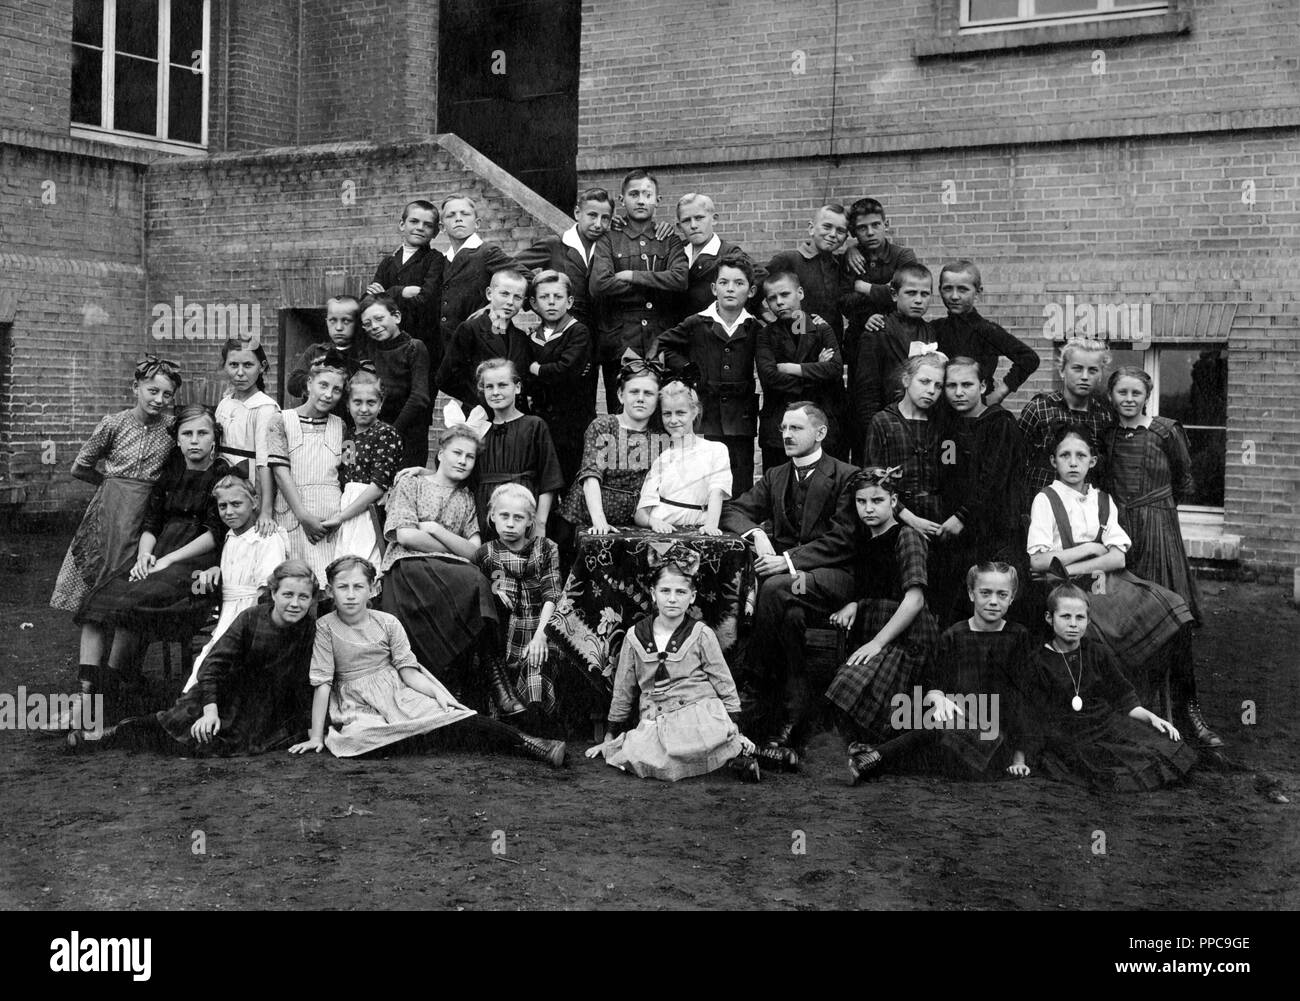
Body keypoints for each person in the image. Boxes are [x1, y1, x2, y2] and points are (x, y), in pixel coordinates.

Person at [1026, 423, 1223, 747]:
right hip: (1069, 589)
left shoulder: (1103, 500)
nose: (1073, 462)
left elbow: (1117, 559)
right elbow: (1038, 561)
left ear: (1092, 461)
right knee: (1099, 625)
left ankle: (1187, 712)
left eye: (1080, 455)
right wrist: (1088, 549)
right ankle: (1119, 712)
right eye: (1065, 455)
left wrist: (1072, 564)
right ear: (1053, 461)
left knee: (1173, 606)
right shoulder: (1045, 500)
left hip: (1108, 580)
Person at [289, 556, 566, 765]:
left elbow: (408, 672)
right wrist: (316, 735)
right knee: (355, 740)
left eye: (358, 586)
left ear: (372, 589)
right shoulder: (326, 627)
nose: (350, 594)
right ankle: (423, 738)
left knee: (456, 717)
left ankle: (532, 744)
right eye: (343, 587)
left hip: (399, 693)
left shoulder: (387, 622)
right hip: (357, 704)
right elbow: (323, 682)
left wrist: (437, 694)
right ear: (329, 591)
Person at [67, 560, 319, 755]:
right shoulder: (251, 619)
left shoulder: (308, 627)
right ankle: (109, 734)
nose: (295, 603)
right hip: (221, 697)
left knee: (219, 747)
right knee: (171, 732)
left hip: (262, 709)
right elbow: (210, 668)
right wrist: (210, 711)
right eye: (287, 594)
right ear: (273, 593)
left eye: (303, 597)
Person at [71, 405, 228, 714]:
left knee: (134, 602)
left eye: (202, 433)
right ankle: (87, 691)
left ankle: (111, 686)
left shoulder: (221, 474)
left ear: (214, 439)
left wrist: (168, 560)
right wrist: (145, 554)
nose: (194, 441)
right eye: (187, 434)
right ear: (178, 440)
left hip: (194, 561)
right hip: (158, 554)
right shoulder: (171, 472)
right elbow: (151, 522)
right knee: (98, 601)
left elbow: (214, 532)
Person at [721, 401, 859, 753]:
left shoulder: (846, 476)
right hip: (790, 588)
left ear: (820, 432)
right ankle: (794, 715)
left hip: (831, 577)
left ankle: (754, 687)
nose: (785, 435)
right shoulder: (776, 476)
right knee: (790, 615)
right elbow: (733, 510)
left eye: (795, 428)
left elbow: (842, 540)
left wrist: (787, 560)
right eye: (783, 428)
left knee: (776, 586)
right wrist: (756, 534)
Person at [378, 424, 523, 718]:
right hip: (408, 570)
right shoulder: (411, 484)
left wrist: (435, 530)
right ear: (440, 453)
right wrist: (450, 545)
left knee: (475, 580)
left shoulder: (466, 498)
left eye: (469, 457)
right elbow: (405, 536)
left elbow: (474, 551)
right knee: (475, 580)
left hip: (452, 575)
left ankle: (489, 687)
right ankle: (500, 687)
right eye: (456, 453)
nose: (462, 461)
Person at [844, 562, 1033, 781]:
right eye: (985, 593)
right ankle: (875, 758)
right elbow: (934, 683)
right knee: (928, 719)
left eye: (1002, 594)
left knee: (939, 728)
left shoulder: (1018, 637)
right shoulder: (953, 635)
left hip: (992, 738)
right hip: (951, 727)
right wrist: (938, 697)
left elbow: (1023, 701)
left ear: (1012, 597)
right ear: (972, 594)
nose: (993, 601)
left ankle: (873, 757)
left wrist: (1019, 759)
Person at [585, 559, 760, 782]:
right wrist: (610, 736)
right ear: (653, 593)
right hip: (657, 719)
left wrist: (734, 724)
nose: (672, 599)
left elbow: (723, 681)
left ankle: (735, 747)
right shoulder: (634, 636)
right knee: (633, 753)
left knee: (712, 732)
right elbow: (623, 690)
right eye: (665, 591)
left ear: (692, 597)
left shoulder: (701, 634)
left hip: (697, 712)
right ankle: (730, 758)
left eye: (681, 592)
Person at [1017, 582, 1197, 791]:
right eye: (1065, 617)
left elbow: (1124, 698)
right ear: (1050, 618)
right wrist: (1020, 759)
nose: (1073, 624)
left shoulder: (1096, 652)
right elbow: (1029, 716)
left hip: (1106, 725)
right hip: (1072, 735)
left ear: (1088, 620)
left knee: (1167, 748)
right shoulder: (1039, 661)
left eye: (1080, 617)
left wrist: (1152, 718)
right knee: (1104, 771)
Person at [825, 467, 939, 783]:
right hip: (873, 624)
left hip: (907, 635)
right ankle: (864, 751)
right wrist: (854, 604)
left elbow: (914, 600)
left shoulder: (907, 536)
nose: (869, 508)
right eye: (862, 502)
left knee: (852, 683)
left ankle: (876, 755)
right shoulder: (866, 539)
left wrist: (877, 643)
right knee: (846, 686)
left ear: (894, 500)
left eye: (877, 500)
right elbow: (872, 584)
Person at [51, 355, 182, 615]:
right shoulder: (114, 423)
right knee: (101, 569)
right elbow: (80, 467)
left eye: (167, 395)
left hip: (147, 510)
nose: (159, 400)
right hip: (110, 509)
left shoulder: (172, 427)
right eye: (152, 391)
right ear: (136, 388)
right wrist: (110, 485)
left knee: (134, 574)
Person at [1103, 366, 1202, 621]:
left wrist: (1162, 508)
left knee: (1160, 586)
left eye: (1136, 393)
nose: (1129, 398)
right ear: (1111, 396)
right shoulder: (1109, 434)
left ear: (1147, 397)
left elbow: (1183, 478)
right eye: (1122, 392)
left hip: (1157, 520)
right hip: (1120, 521)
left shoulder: (1165, 431)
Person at [660, 253, 763, 491]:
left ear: (751, 291)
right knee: (703, 478)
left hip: (741, 418)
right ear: (714, 288)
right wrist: (688, 370)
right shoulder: (696, 323)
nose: (730, 289)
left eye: (739, 283)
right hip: (705, 415)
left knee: (739, 480)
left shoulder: (756, 327)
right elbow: (664, 345)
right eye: (724, 283)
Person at [933, 357, 1025, 624]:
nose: (959, 392)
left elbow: (993, 480)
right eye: (951, 386)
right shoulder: (948, 428)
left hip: (993, 533)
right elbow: (947, 475)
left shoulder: (1000, 423)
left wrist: (962, 515)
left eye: (967, 384)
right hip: (956, 536)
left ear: (983, 386)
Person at [588, 168, 688, 413]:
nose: (641, 200)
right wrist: (656, 286)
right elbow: (599, 285)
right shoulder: (609, 239)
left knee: (664, 415)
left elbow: (680, 280)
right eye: (634, 194)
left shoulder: (669, 240)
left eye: (647, 194)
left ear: (657, 200)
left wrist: (632, 276)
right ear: (622, 200)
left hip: (660, 342)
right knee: (623, 415)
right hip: (621, 343)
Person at [181, 474, 290, 693]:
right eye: (223, 506)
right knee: (204, 666)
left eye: (236, 504)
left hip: (252, 617)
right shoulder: (230, 537)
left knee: (226, 669)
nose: (229, 512)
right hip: (228, 614)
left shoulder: (266, 537)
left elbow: (267, 591)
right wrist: (215, 572)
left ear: (255, 502)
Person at [517, 187, 613, 428]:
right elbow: (513, 265)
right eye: (592, 215)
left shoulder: (611, 245)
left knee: (588, 406)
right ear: (577, 212)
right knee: (560, 402)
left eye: (605, 218)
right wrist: (536, 295)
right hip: (564, 336)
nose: (598, 224)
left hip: (603, 335)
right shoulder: (555, 245)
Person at [474, 484, 563, 732]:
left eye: (518, 518)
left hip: (540, 628)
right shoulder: (485, 554)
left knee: (537, 664)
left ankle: (539, 728)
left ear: (530, 521)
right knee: (502, 686)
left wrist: (540, 637)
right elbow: (479, 594)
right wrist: (492, 588)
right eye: (504, 516)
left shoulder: (546, 548)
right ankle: (515, 728)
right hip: (505, 636)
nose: (510, 524)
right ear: (492, 516)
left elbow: (552, 595)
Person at [557, 362, 668, 533]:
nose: (640, 398)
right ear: (620, 395)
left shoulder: (659, 436)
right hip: (585, 520)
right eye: (634, 392)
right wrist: (599, 520)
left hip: (629, 524)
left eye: (648, 393)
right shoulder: (604, 426)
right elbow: (590, 475)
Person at [268, 352, 347, 584]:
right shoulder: (280, 420)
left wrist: (339, 517)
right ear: (309, 383)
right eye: (323, 385)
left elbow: (346, 471)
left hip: (328, 520)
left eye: (337, 390)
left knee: (328, 584)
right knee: (295, 582)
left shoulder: (341, 426)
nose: (328, 394)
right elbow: (280, 473)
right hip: (293, 515)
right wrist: (303, 516)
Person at [756, 270, 845, 468]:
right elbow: (771, 378)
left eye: (785, 294)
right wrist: (816, 370)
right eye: (772, 298)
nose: (779, 302)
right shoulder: (765, 336)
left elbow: (835, 369)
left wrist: (793, 368)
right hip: (779, 429)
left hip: (819, 423)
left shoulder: (821, 329)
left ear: (800, 293)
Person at [436, 194, 528, 377]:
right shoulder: (441, 260)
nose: (458, 218)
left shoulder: (486, 252)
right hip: (450, 344)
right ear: (442, 227)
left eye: (465, 214)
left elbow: (527, 277)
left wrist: (492, 306)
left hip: (481, 339)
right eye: (451, 215)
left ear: (477, 223)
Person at [471, 359, 565, 539]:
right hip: (487, 515)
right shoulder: (479, 430)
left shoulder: (534, 426)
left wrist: (540, 523)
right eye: (489, 387)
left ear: (518, 387)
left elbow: (549, 478)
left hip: (525, 515)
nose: (496, 392)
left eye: (503, 385)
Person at [1018, 336, 1113, 510]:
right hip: (1040, 507)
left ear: (1100, 375)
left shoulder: (1104, 417)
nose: (1084, 376)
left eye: (1092, 370)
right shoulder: (1040, 408)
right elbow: (1014, 461)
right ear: (1062, 371)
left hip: (1084, 512)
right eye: (1077, 369)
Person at [322, 368, 403, 569]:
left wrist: (342, 516)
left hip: (369, 508)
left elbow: (378, 486)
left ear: (381, 404)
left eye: (371, 403)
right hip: (346, 503)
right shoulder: (349, 435)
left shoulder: (386, 434)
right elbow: (345, 475)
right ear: (348, 404)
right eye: (357, 402)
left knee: (364, 565)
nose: (364, 409)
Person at [930, 260, 1040, 408]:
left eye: (963, 289)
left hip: (979, 412)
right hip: (942, 412)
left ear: (978, 293)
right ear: (940, 290)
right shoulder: (934, 328)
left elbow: (1029, 358)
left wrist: (999, 393)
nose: (954, 296)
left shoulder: (986, 331)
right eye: (948, 288)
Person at [839, 196, 920, 397]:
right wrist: (866, 316)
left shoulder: (903, 256)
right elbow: (843, 302)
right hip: (859, 341)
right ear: (853, 232)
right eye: (862, 228)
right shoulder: (849, 260)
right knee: (862, 400)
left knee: (899, 394)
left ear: (886, 224)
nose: (870, 232)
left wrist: (862, 286)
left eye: (876, 225)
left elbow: (904, 294)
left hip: (899, 339)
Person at [865, 353, 947, 543]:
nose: (931, 390)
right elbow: (873, 479)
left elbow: (950, 471)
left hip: (938, 517)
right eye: (924, 382)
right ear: (906, 380)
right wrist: (910, 519)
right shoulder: (883, 422)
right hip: (898, 517)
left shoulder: (942, 424)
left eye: (938, 386)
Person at [635, 381, 731, 534]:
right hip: (663, 531)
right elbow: (641, 514)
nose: (673, 420)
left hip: (699, 528)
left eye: (680, 413)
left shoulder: (716, 450)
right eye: (667, 414)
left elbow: (717, 492)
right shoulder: (661, 459)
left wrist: (711, 525)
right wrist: (653, 521)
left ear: (694, 412)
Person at [525, 270, 592, 487]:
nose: (551, 303)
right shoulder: (532, 337)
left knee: (571, 474)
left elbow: (566, 370)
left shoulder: (578, 332)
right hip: (543, 417)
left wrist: (536, 369)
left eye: (558, 297)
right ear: (534, 303)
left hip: (573, 420)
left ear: (570, 301)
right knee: (545, 476)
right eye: (544, 297)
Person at [853, 262, 938, 431]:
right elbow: (867, 392)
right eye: (911, 293)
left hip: (920, 422)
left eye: (925, 294)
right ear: (894, 294)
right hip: (886, 424)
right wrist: (874, 431)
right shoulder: (877, 331)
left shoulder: (930, 332)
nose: (918, 300)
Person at [363, 199, 444, 374]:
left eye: (428, 225)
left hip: (421, 345)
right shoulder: (388, 262)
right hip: (387, 347)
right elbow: (368, 301)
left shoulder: (435, 260)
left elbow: (425, 299)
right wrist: (400, 292)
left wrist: (386, 294)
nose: (420, 227)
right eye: (414, 221)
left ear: (436, 232)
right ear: (402, 224)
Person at [437, 269, 532, 411]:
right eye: (504, 294)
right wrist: (480, 401)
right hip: (481, 416)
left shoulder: (521, 338)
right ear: (489, 294)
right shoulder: (470, 329)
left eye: (517, 297)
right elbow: (445, 378)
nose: (510, 302)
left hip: (516, 417)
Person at [355, 295, 431, 467]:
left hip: (408, 432)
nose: (374, 326)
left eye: (379, 319)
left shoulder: (414, 347)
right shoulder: (368, 351)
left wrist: (391, 431)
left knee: (403, 484)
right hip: (375, 431)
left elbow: (419, 397)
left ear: (396, 317)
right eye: (367, 324)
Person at [765, 204, 853, 349]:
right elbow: (754, 289)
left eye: (840, 231)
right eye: (827, 227)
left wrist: (853, 250)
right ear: (811, 228)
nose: (832, 234)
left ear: (845, 238)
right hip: (794, 345)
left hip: (831, 346)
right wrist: (769, 318)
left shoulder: (841, 264)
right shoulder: (789, 260)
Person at [215, 338, 277, 529]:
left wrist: (266, 510)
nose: (240, 372)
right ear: (224, 365)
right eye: (234, 365)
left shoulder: (265, 408)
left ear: (262, 366)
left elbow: (265, 462)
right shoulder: (225, 403)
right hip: (222, 482)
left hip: (250, 482)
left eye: (248, 365)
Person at [675, 192, 754, 315]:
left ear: (714, 219)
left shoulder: (729, 253)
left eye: (699, 218)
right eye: (686, 220)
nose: (693, 225)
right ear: (679, 227)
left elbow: (758, 279)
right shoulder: (676, 251)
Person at [286, 296, 367, 402]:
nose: (338, 327)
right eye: (333, 320)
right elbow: (293, 384)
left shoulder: (362, 355)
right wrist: (316, 377)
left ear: (357, 322)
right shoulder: (316, 351)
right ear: (327, 321)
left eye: (346, 321)